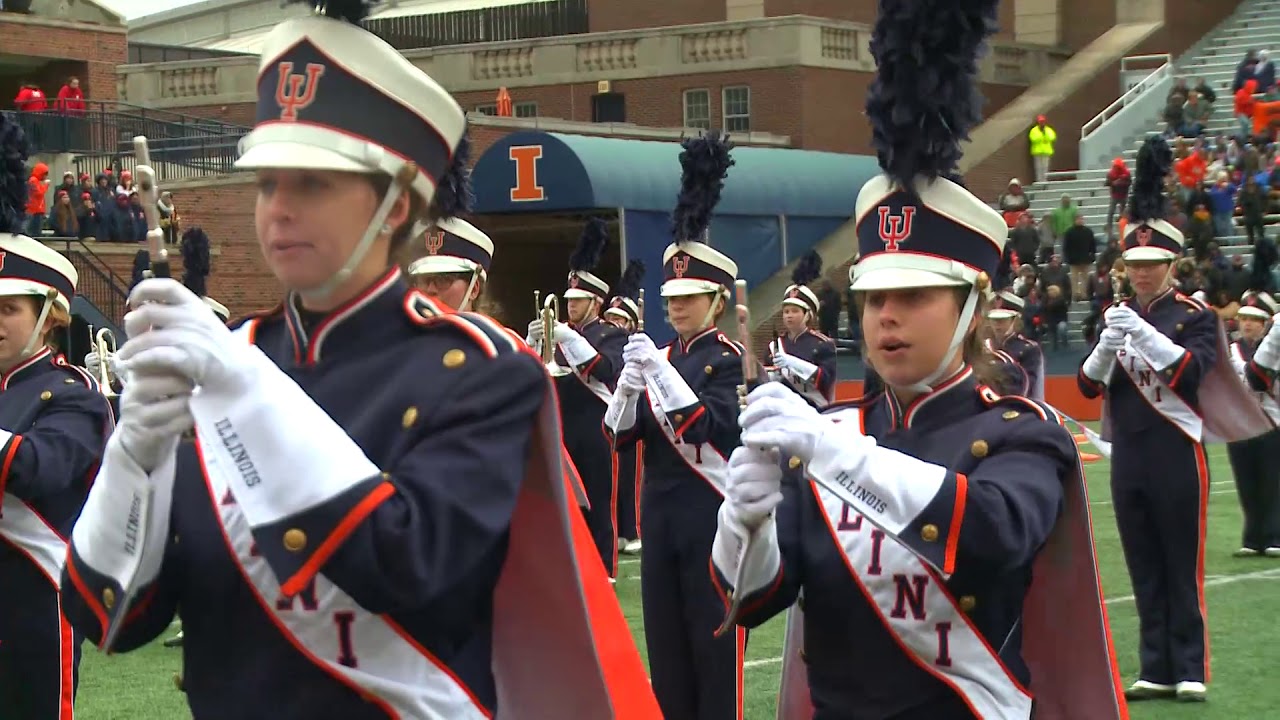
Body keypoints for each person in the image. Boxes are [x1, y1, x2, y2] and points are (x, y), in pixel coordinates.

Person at [58, 3, 658, 717]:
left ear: (397, 205)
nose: (278, 208)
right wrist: (135, 453)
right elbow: (115, 617)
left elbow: (414, 566)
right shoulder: (229, 361)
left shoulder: (483, 372)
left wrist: (242, 388)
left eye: (312, 183)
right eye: (267, 183)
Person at [711, 1, 1127, 717]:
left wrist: (833, 455)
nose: (886, 316)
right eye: (873, 299)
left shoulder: (1023, 431)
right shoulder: (836, 428)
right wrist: (743, 523)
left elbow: (993, 534)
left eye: (913, 295)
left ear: (971, 304)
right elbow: (753, 604)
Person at [1078, 134, 1272, 703]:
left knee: (1179, 562)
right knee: (1141, 563)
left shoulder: (1194, 316)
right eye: (1133, 264)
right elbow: (1091, 386)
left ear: (1170, 263)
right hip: (1130, 451)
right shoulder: (1118, 314)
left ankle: (1189, 665)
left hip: (1176, 450)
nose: (1140, 273)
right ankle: (1155, 666)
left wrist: (1143, 335)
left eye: (1151, 264)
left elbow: (1191, 377)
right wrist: (1108, 345)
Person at [605, 129, 746, 720]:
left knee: (711, 650)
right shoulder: (660, 356)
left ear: (716, 299)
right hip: (661, 514)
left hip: (708, 515)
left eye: (689, 296)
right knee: (666, 652)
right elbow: (618, 436)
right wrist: (630, 384)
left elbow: (701, 426)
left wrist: (655, 374)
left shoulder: (727, 358)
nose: (676, 305)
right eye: (672, 296)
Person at [0, 112, 114, 718]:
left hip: (31, 608)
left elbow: (39, 470)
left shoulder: (72, 395)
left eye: (8, 308)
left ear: (52, 316)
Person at [526, 217, 627, 578]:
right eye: (569, 299)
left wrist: (569, 339)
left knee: (599, 501)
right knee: (565, 504)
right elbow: (533, 376)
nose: (571, 305)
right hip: (561, 422)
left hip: (595, 425)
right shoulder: (558, 331)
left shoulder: (609, 333)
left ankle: (605, 571)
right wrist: (534, 343)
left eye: (580, 300)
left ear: (596, 302)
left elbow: (606, 370)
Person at [1230, 291, 1280, 557]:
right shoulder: (1230, 349)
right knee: (1246, 482)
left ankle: (1274, 536)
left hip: (1271, 421)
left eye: (1254, 319)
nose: (1247, 324)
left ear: (1265, 324)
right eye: (1244, 318)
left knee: (1272, 482)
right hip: (1238, 423)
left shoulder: (1274, 350)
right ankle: (1252, 537)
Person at [602, 259, 647, 555]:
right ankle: (618, 528)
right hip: (611, 412)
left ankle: (631, 529)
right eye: (611, 317)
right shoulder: (602, 339)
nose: (614, 323)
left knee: (630, 475)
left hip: (634, 412)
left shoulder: (637, 345)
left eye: (620, 319)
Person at [769, 250, 837, 407]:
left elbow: (824, 380)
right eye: (786, 312)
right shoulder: (775, 345)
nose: (789, 316)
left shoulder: (823, 344)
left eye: (795, 311)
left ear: (808, 315)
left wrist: (792, 363)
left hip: (813, 411)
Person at [985, 287, 1044, 400]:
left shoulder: (1028, 349)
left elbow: (1029, 387)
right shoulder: (981, 347)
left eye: (1002, 320)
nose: (997, 325)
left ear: (1015, 320)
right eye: (994, 320)